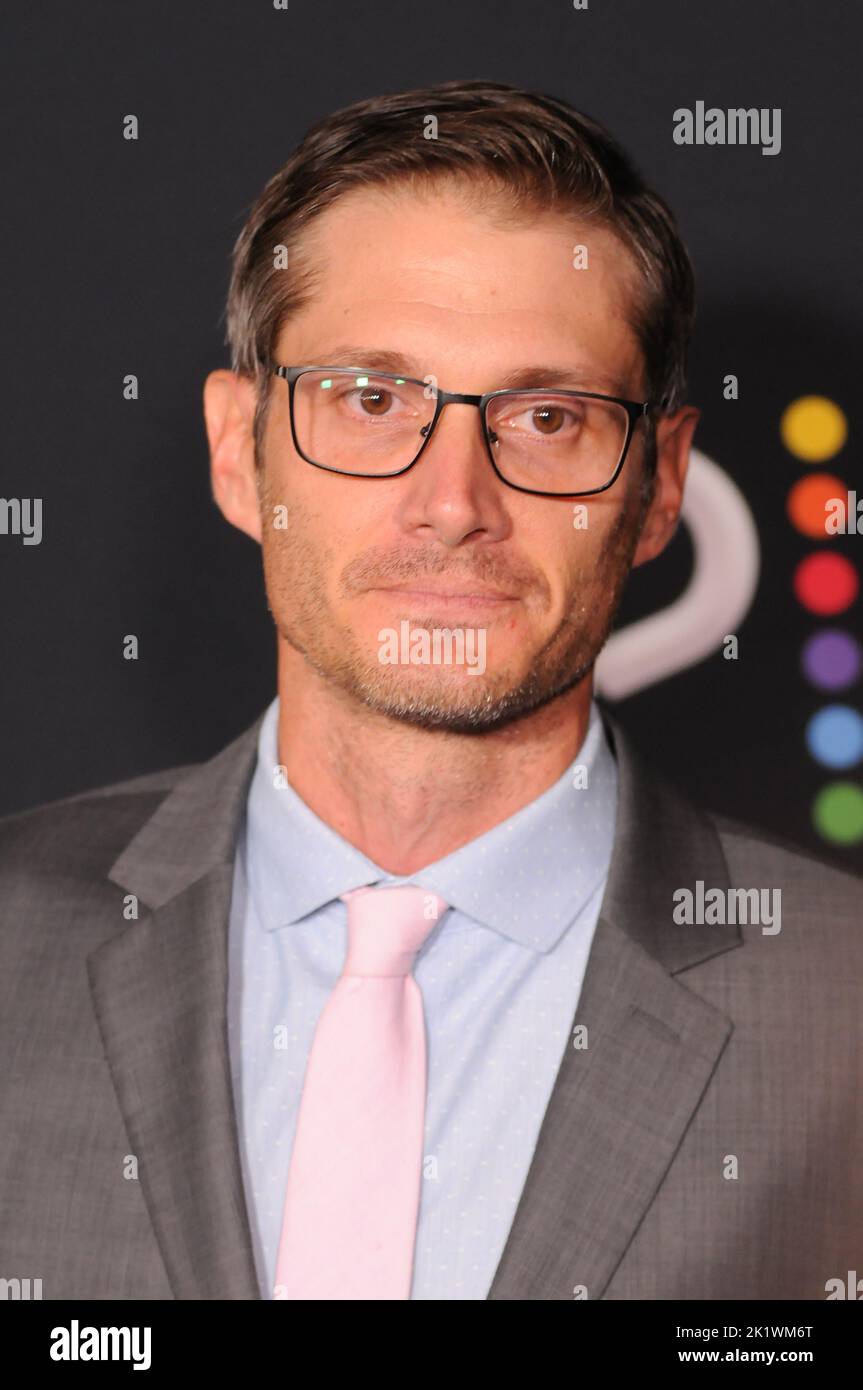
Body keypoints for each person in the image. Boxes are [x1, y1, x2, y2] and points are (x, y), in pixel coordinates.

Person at [1, 80, 860, 1302]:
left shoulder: (842, 1011)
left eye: (547, 416)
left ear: (659, 486)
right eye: (369, 400)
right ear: (237, 453)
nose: (453, 501)